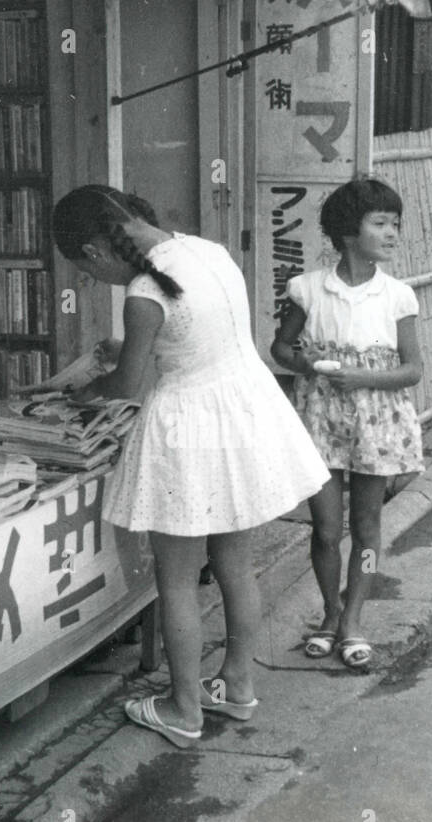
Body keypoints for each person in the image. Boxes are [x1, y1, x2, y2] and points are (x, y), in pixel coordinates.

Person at [51, 185, 329, 747]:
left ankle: (182, 709)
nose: (92, 278)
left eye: (85, 270)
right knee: (234, 561)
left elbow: (128, 385)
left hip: (188, 429)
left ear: (94, 252)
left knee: (174, 577)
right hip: (242, 413)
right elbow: (198, 334)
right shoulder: (209, 251)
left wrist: (84, 393)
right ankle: (237, 684)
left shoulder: (144, 289)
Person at [271, 177, 424, 668]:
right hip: (320, 417)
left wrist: (360, 376)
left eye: (395, 224)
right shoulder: (309, 289)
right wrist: (306, 362)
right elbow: (279, 349)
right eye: (380, 223)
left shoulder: (398, 296)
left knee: (368, 527)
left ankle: (355, 620)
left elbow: (413, 369)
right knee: (323, 527)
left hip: (378, 421)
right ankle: (330, 614)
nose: (392, 233)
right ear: (347, 231)